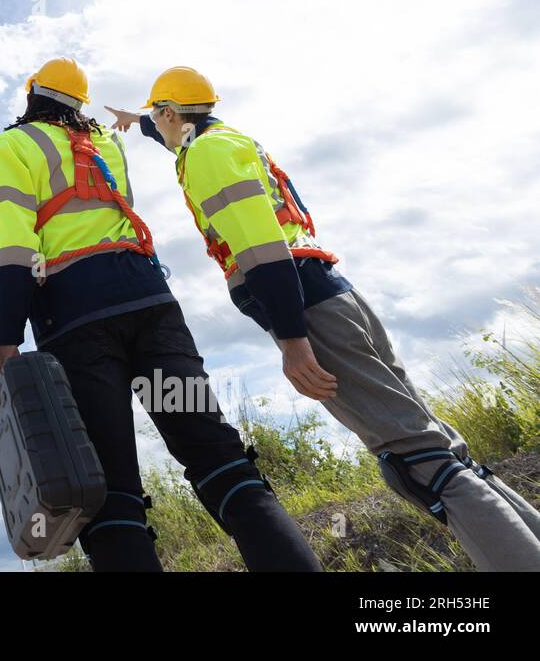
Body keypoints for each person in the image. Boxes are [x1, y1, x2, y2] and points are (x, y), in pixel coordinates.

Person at [107, 66, 540, 571]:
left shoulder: (204, 154)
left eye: (157, 117)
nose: (156, 128)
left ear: (171, 113)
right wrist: (134, 121)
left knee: (419, 461)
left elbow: (261, 249)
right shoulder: (222, 140)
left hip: (308, 309)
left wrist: (292, 340)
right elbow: (173, 135)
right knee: (438, 448)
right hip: (332, 292)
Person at [0, 57, 321, 572]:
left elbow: (10, 245)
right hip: (149, 305)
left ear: (32, 95)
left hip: (76, 320)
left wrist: (5, 337)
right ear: (77, 103)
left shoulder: (12, 145)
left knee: (112, 490)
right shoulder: (107, 144)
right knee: (216, 455)